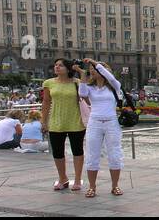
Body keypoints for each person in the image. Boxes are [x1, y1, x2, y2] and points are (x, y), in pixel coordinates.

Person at [78, 59, 126, 198]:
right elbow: (82, 93)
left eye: (95, 68)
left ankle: (115, 185)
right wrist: (82, 75)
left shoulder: (114, 86)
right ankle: (92, 187)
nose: (92, 70)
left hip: (111, 122)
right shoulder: (91, 87)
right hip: (95, 122)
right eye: (91, 69)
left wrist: (95, 62)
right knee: (92, 154)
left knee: (115, 154)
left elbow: (110, 77)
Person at [42, 58, 87, 192]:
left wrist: (82, 73)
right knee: (57, 152)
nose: (57, 67)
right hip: (56, 121)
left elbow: (85, 98)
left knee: (77, 150)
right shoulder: (49, 83)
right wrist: (43, 121)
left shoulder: (77, 83)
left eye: (60, 65)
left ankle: (78, 179)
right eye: (55, 65)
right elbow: (46, 102)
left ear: (68, 68)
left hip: (75, 121)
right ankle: (63, 178)